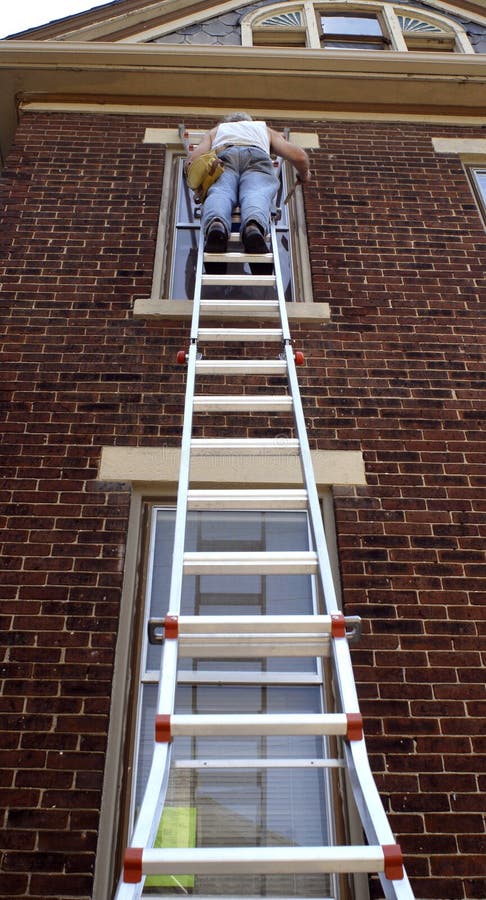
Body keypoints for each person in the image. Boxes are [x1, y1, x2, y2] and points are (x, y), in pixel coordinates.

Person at [184, 113, 311, 262]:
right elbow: (300, 157)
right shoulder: (264, 129)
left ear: (228, 123)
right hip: (257, 158)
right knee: (256, 193)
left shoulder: (217, 131)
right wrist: (303, 174)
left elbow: (192, 161)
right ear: (249, 122)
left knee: (220, 192)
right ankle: (253, 227)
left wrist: (197, 180)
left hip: (223, 158)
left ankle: (216, 225)